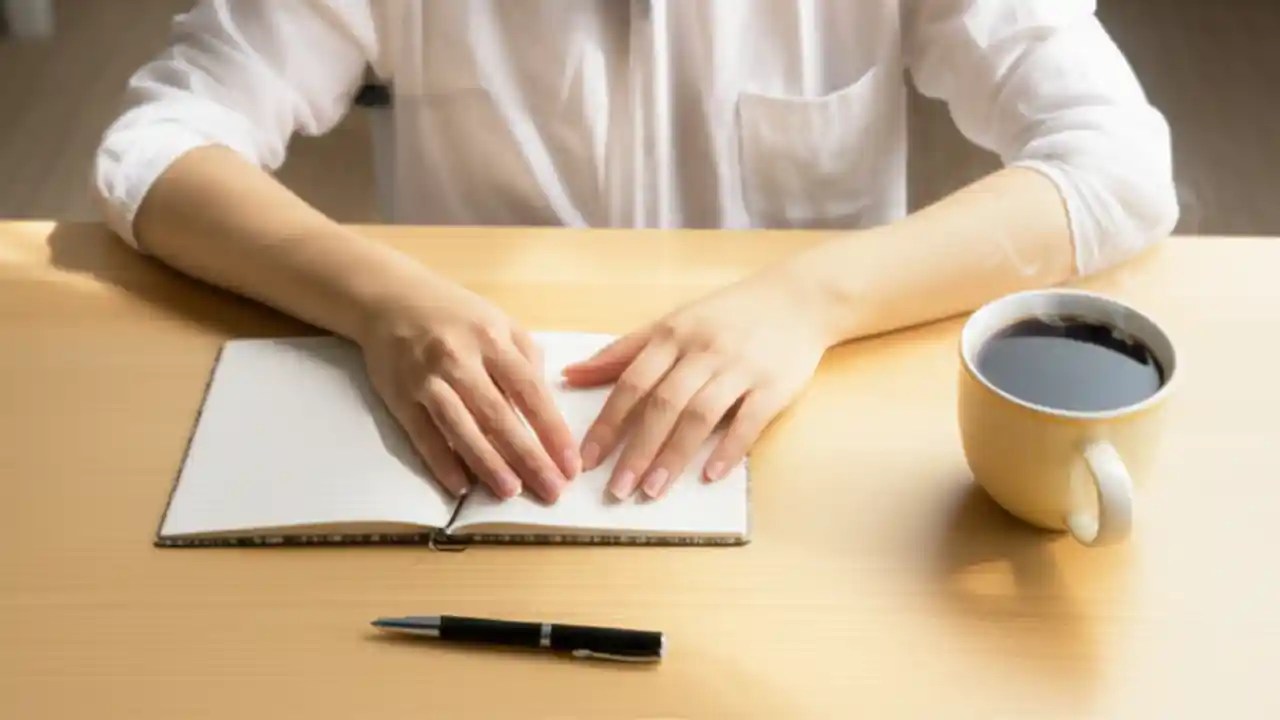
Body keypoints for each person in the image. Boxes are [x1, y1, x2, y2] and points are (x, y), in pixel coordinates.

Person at [93, 1, 1177, 504]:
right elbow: (154, 151)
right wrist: (381, 298)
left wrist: (807, 299)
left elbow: (1121, 166)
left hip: (809, 450)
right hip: (487, 454)